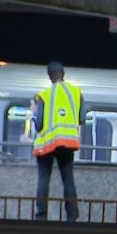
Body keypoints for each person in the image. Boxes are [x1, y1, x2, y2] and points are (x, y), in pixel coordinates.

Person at [33, 62, 83, 221]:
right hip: (68, 143)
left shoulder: (44, 95)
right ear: (64, 74)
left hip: (47, 144)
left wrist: (34, 113)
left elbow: (39, 124)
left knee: (43, 179)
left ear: (49, 76)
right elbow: (81, 119)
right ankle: (72, 216)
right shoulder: (76, 93)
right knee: (68, 180)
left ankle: (41, 217)